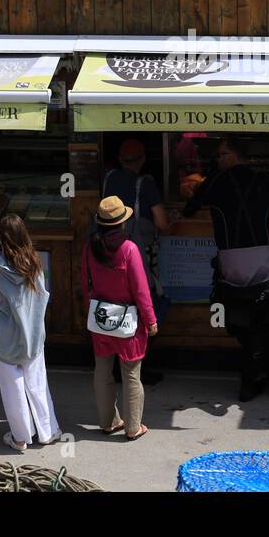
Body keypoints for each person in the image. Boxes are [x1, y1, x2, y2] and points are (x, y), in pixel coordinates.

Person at [183, 137, 269, 401]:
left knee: (241, 318)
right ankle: (268, 367)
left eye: (221, 154)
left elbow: (190, 209)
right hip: (264, 255)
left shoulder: (216, 180)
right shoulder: (262, 180)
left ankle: (255, 376)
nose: (217, 159)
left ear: (233, 156)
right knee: (259, 317)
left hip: (232, 259)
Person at [0, 214, 61, 451]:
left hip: (1, 337)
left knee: (12, 388)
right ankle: (47, 431)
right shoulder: (35, 264)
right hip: (33, 335)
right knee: (37, 382)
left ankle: (20, 437)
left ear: (0, 238)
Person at [82, 196, 156, 441]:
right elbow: (141, 289)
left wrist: (89, 312)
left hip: (100, 318)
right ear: (122, 223)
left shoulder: (90, 247)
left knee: (102, 372)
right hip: (128, 322)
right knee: (131, 374)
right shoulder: (129, 249)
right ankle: (133, 427)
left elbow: (85, 284)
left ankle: (108, 422)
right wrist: (151, 319)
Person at [102, 138, 172, 385]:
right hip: (139, 258)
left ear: (120, 159)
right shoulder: (146, 184)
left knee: (117, 304)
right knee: (147, 305)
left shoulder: (108, 179)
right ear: (143, 159)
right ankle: (138, 365)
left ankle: (115, 365)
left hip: (110, 257)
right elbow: (162, 223)